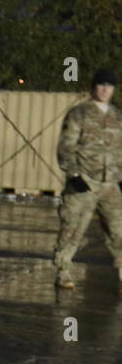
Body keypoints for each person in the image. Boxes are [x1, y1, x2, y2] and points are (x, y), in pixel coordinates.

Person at [54, 67, 122, 292]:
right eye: (101, 85)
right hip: (84, 182)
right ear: (94, 87)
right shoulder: (79, 114)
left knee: (118, 232)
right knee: (72, 229)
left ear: (113, 89)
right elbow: (66, 146)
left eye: (109, 85)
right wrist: (73, 175)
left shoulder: (117, 116)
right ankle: (63, 272)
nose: (105, 89)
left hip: (110, 183)